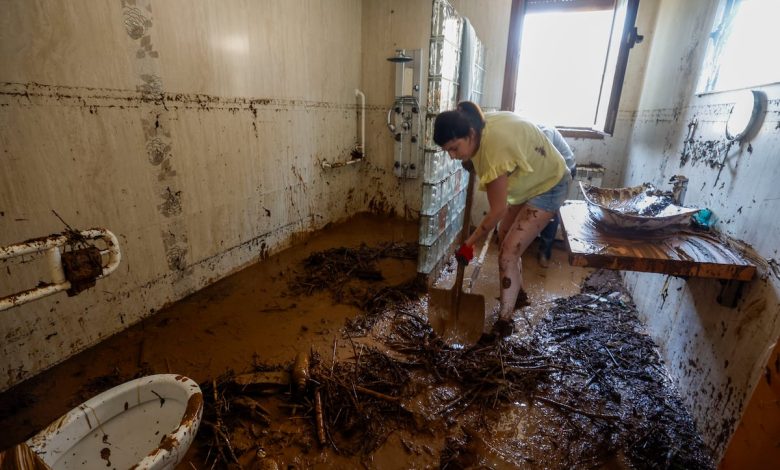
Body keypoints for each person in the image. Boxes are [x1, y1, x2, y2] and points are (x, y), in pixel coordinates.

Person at [433, 101, 571, 338]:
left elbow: (496, 211)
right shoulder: (476, 125)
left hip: (549, 184)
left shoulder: (493, 150)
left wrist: (470, 242)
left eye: (454, 148)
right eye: (447, 151)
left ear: (471, 135)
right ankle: (518, 293)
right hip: (529, 179)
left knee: (508, 251)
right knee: (504, 236)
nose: (452, 156)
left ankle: (505, 321)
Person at [536, 125, 576, 268]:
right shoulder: (529, 137)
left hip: (563, 171)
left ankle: (544, 252)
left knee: (551, 212)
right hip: (548, 170)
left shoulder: (546, 134)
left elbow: (550, 166)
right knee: (533, 204)